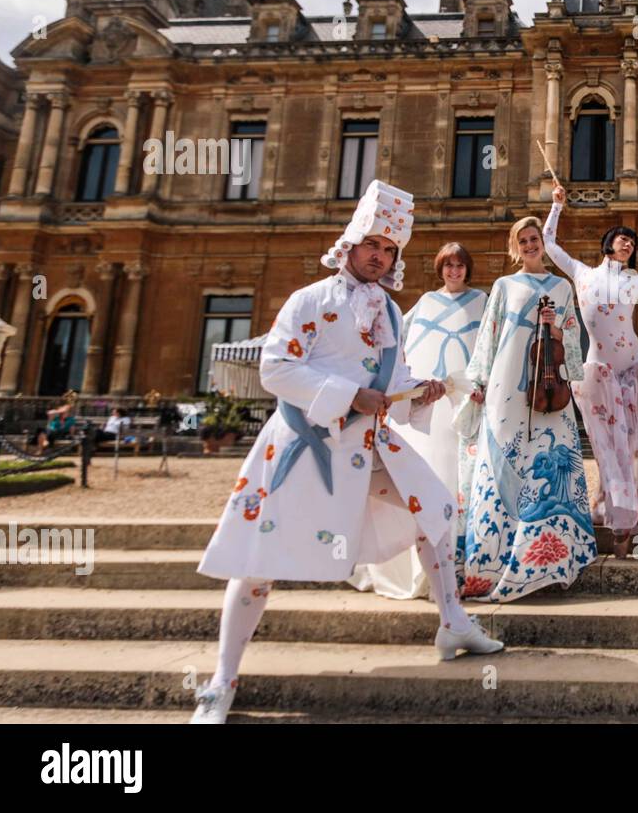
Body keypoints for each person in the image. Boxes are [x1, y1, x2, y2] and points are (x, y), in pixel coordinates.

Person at [192, 181, 501, 724]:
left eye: (390, 250)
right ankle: (221, 682)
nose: (380, 256)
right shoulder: (308, 300)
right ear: (352, 245)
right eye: (372, 246)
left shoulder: (391, 311)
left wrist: (417, 391)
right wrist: (348, 395)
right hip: (304, 447)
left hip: (367, 444)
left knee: (436, 510)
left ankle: (453, 619)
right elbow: (276, 368)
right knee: (257, 565)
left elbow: (391, 378)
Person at [451, 216, 597, 600]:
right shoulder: (503, 286)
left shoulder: (562, 287)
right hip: (506, 388)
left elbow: (574, 338)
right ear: (515, 246)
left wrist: (555, 328)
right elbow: (490, 334)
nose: (531, 244)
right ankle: (494, 562)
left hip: (550, 388)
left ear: (543, 243)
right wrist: (478, 381)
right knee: (503, 460)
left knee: (550, 463)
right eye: (524, 240)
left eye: (535, 238)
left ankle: (547, 562)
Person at [349, 242, 487, 600]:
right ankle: (415, 563)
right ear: (440, 269)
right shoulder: (424, 302)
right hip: (424, 398)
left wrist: (483, 384)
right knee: (420, 471)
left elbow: (492, 347)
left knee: (457, 474)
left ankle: (457, 564)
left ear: (467, 269)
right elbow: (393, 338)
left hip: (462, 399)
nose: (453, 271)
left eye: (459, 265)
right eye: (448, 265)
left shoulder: (482, 301)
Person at [545, 176, 638, 558]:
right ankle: (614, 518)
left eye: (632, 241)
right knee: (606, 449)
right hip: (596, 374)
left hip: (633, 371)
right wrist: (557, 204)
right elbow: (548, 244)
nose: (627, 242)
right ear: (608, 243)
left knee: (635, 449)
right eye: (621, 238)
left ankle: (627, 526)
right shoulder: (583, 274)